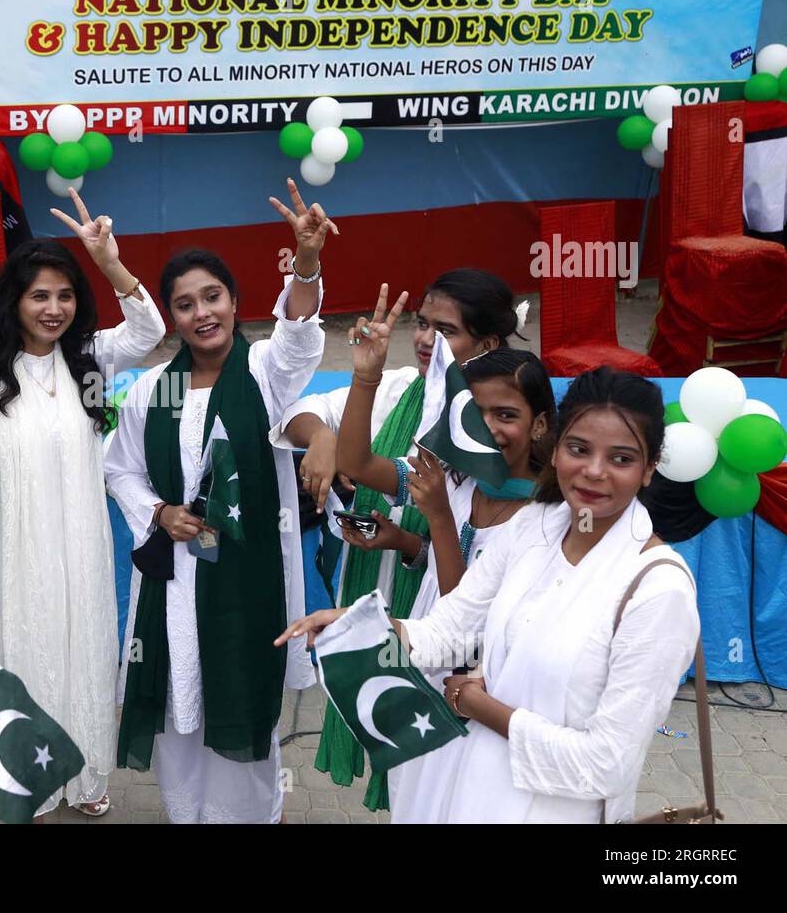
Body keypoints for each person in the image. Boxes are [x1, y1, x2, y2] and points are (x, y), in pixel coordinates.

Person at [280, 367, 700, 823]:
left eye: (620, 459)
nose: (594, 472)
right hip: (459, 788)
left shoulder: (659, 590)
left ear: (649, 468)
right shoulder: (533, 527)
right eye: (579, 449)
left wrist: (479, 706)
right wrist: (361, 628)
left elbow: (605, 766)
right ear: (556, 449)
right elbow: (450, 630)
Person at [0, 193, 165, 818]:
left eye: (65, 295)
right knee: (21, 653)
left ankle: (83, 776)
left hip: (80, 545)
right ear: (13, 302)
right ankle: (28, 777)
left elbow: (151, 332)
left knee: (85, 649)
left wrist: (108, 261)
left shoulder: (91, 361)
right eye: (38, 296)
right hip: (13, 551)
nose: (53, 309)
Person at [104, 179, 332, 824]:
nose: (202, 312)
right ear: (171, 317)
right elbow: (119, 469)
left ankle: (250, 814)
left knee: (240, 688)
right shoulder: (152, 390)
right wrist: (157, 513)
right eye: (184, 304)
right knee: (183, 694)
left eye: (213, 296)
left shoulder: (264, 370)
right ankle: (188, 813)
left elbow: (299, 335)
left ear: (234, 301)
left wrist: (307, 260)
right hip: (176, 578)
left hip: (248, 573)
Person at [276, 270, 524, 802]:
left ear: (488, 344)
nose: (426, 339)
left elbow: (475, 561)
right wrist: (334, 421)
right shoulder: (400, 390)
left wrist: (411, 542)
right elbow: (344, 448)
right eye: (422, 323)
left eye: (447, 330)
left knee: (448, 764)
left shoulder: (487, 440)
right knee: (415, 768)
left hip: (456, 624)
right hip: (402, 599)